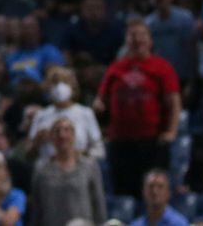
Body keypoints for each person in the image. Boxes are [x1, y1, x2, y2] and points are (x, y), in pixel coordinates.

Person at [95, 20, 179, 198]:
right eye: (133, 35)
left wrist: (171, 131)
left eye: (142, 35)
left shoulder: (162, 67)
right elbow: (100, 98)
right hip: (121, 142)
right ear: (126, 40)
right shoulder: (116, 67)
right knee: (123, 193)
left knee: (151, 194)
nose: (137, 39)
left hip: (151, 142)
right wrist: (99, 106)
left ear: (150, 41)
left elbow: (173, 101)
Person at [30, 117, 105, 226]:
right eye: (57, 131)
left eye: (67, 130)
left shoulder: (89, 166)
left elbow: (98, 203)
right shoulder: (41, 169)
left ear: (74, 135)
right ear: (51, 137)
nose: (62, 135)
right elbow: (36, 208)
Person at [27, 66, 103, 162]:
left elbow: (99, 150)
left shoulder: (85, 113)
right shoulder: (41, 116)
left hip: (79, 169)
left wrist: (78, 154)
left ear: (73, 86)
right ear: (48, 86)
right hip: (49, 170)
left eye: (65, 82)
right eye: (55, 82)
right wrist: (37, 142)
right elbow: (29, 156)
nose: (59, 86)